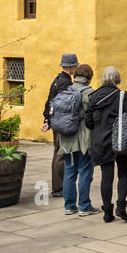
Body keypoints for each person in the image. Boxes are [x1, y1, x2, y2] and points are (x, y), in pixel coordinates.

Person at [86, 66, 127, 222]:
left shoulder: (94, 96)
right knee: (124, 173)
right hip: (120, 139)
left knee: (107, 177)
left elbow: (88, 122)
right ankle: (121, 206)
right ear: (117, 79)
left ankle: (107, 211)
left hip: (101, 141)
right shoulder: (121, 95)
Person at [52, 63, 96, 216]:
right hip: (84, 137)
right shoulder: (90, 93)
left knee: (69, 171)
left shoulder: (66, 90)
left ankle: (69, 206)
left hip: (67, 137)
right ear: (89, 77)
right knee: (85, 171)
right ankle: (84, 206)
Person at [43, 52, 78, 198]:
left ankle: (59, 186)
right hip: (61, 122)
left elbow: (49, 101)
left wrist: (47, 119)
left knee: (58, 152)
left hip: (55, 121)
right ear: (71, 67)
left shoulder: (57, 80)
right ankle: (58, 187)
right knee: (60, 154)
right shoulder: (65, 83)